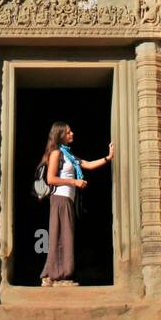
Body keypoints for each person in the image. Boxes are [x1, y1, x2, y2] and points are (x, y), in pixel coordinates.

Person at [39, 122, 114, 287]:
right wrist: (74, 182)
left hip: (67, 200)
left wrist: (108, 158)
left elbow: (88, 164)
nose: (72, 133)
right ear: (60, 135)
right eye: (68, 132)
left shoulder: (69, 155)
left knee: (65, 236)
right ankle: (57, 276)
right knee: (60, 236)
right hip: (60, 199)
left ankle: (54, 276)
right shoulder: (56, 153)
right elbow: (50, 179)